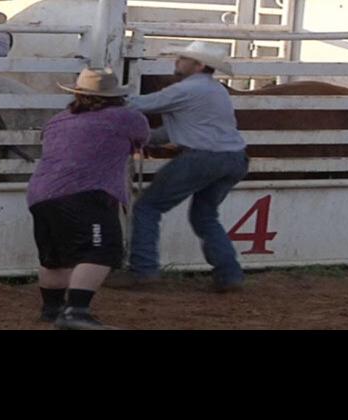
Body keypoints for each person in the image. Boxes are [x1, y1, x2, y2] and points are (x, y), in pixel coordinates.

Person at [105, 41, 249, 293]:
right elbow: (180, 129)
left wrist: (97, 98)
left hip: (202, 158)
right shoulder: (216, 91)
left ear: (198, 65)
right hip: (234, 158)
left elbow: (135, 104)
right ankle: (229, 274)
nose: (177, 62)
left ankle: (144, 270)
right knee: (205, 216)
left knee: (147, 207)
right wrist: (147, 137)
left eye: (183, 58)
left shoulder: (185, 90)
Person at [27, 68, 150, 330]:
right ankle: (76, 311)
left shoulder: (58, 120)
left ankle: (52, 309)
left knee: (55, 257)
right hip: (85, 191)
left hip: (41, 192)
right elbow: (142, 138)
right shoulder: (126, 118)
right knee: (101, 249)